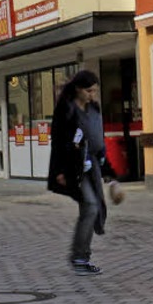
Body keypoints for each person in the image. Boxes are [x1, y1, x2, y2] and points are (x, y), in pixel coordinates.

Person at [47, 70, 107, 276]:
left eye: (95, 91)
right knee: (90, 205)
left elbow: (98, 137)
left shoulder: (94, 109)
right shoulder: (66, 110)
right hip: (73, 167)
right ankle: (80, 257)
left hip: (92, 165)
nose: (93, 95)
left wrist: (106, 165)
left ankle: (80, 257)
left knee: (91, 207)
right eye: (89, 91)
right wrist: (60, 171)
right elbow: (59, 142)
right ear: (78, 90)